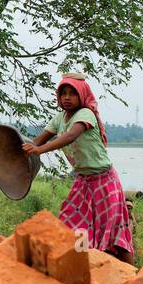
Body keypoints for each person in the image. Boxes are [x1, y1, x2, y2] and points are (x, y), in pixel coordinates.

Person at [22, 74, 134, 264]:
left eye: (72, 94)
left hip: (104, 180)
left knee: (114, 232)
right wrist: (17, 154)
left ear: (81, 95)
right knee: (71, 225)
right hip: (83, 181)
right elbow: (36, 141)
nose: (66, 97)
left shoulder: (85, 114)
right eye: (63, 93)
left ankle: (133, 277)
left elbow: (70, 136)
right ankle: (81, 268)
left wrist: (39, 150)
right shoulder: (59, 119)